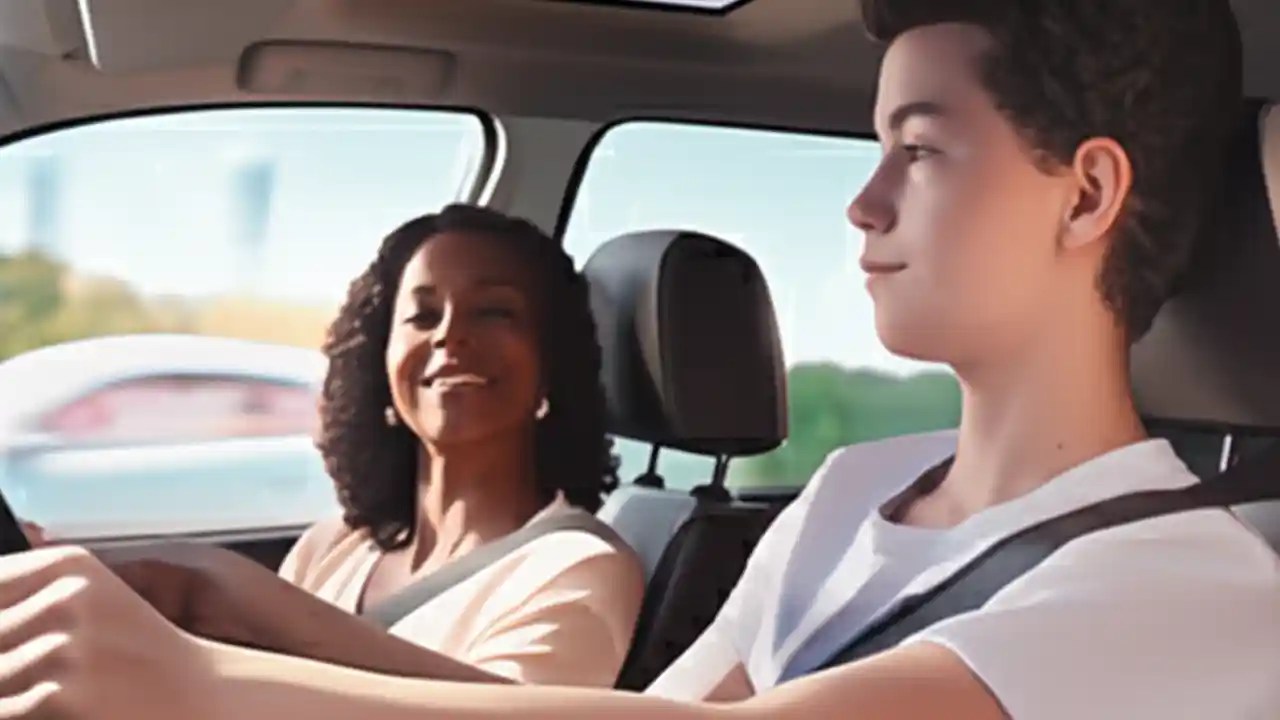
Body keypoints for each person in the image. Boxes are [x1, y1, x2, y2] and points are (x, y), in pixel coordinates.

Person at [0, 1, 1275, 718]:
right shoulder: (854, 490)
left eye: (920, 150)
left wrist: (208, 686)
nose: (862, 205)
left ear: (1085, 193)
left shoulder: (1191, 594)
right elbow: (665, 715)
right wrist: (220, 604)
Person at [27, 204, 647, 689]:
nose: (451, 335)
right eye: (423, 316)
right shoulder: (337, 545)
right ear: (383, 363)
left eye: (494, 313)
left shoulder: (576, 568)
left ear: (550, 366)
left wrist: (222, 589)